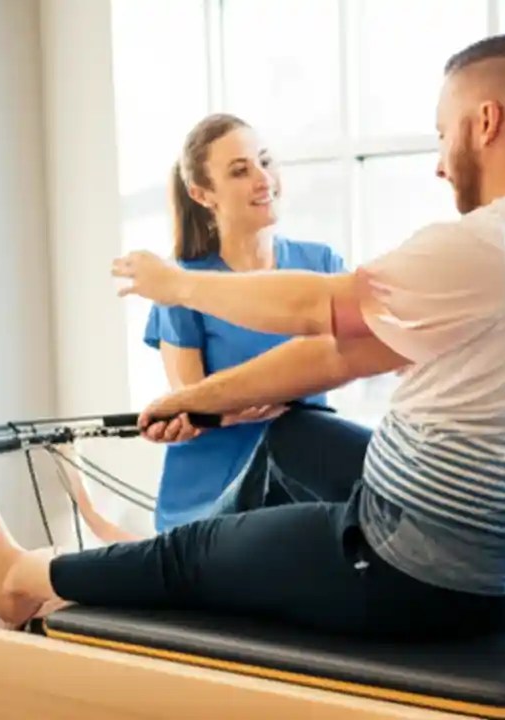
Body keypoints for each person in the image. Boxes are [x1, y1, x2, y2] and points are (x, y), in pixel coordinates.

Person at [0, 32, 505, 640]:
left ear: (486, 121)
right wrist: (204, 397)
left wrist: (178, 284)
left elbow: (318, 309)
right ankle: (210, 554)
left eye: (443, 133)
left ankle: (21, 580)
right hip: (498, 555)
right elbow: (347, 352)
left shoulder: (497, 244)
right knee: (291, 436)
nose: (440, 164)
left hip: (410, 563)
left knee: (193, 555)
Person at [70, 112, 347, 539]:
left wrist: (246, 398)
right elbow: (197, 403)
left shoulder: (322, 265)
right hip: (210, 491)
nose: (263, 178)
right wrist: (238, 403)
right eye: (239, 171)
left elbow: (350, 354)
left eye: (265, 161)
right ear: (202, 194)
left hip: (303, 478)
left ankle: (113, 546)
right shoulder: (179, 285)